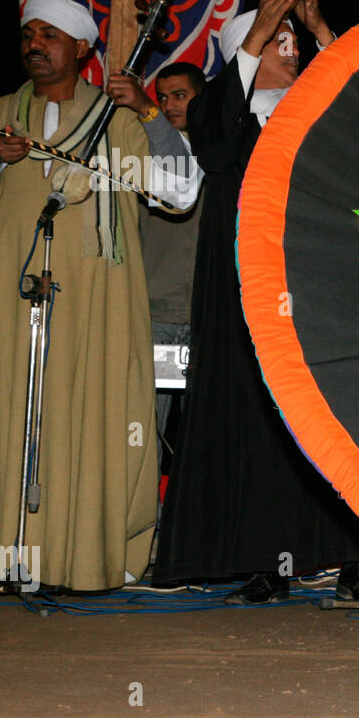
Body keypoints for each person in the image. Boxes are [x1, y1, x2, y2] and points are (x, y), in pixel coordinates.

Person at [0, 0, 198, 590]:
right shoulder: (0, 111)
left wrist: (151, 116)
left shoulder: (118, 117)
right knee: (8, 409)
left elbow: (181, 192)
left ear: (81, 48)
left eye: (50, 35)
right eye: (28, 34)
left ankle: (77, 560)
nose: (35, 44)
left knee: (90, 413)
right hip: (9, 301)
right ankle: (0, 558)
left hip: (96, 302)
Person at [152, 0, 359, 603]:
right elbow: (207, 139)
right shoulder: (230, 120)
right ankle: (265, 562)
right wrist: (257, 29)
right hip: (250, 292)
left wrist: (317, 27)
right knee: (258, 425)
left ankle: (356, 561)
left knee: (335, 422)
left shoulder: (319, 112)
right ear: (247, 53)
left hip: (325, 288)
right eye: (276, 39)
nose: (291, 46)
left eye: (292, 39)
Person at [144, 62, 206, 471]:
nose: (168, 105)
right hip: (156, 313)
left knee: (208, 436)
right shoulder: (144, 151)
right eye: (161, 98)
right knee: (147, 435)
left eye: (179, 95)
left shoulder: (224, 150)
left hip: (210, 315)